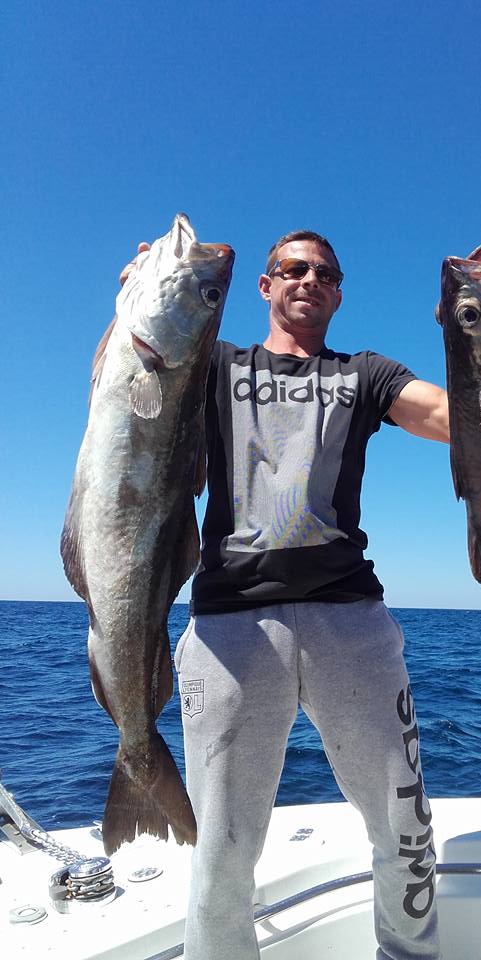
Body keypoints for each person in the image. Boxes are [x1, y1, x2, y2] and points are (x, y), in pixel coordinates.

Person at [122, 230, 449, 960]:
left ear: (338, 292)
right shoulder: (212, 364)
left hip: (351, 622)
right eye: (292, 269)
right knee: (223, 851)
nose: (308, 279)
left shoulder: (367, 374)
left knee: (406, 827)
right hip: (229, 631)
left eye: (325, 272)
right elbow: (127, 377)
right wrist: (137, 299)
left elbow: (451, 419)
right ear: (266, 286)